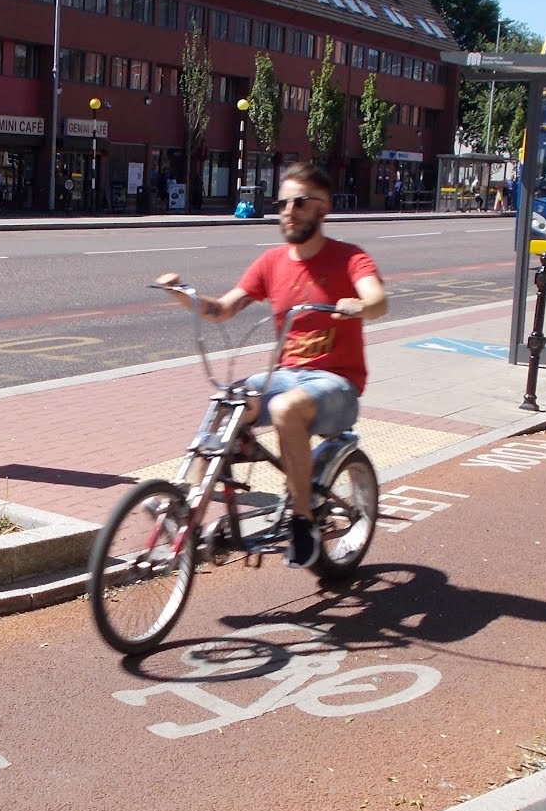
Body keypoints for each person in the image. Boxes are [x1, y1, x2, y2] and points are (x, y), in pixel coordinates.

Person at [157, 163, 388, 567]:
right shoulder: (272, 263)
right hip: (287, 376)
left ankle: (302, 522)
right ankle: (186, 504)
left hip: (337, 385)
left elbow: (378, 300)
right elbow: (224, 308)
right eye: (283, 202)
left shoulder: (350, 258)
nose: (289, 210)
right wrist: (184, 295)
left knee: (285, 409)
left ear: (323, 208)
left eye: (300, 202)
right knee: (226, 399)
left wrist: (360, 305)